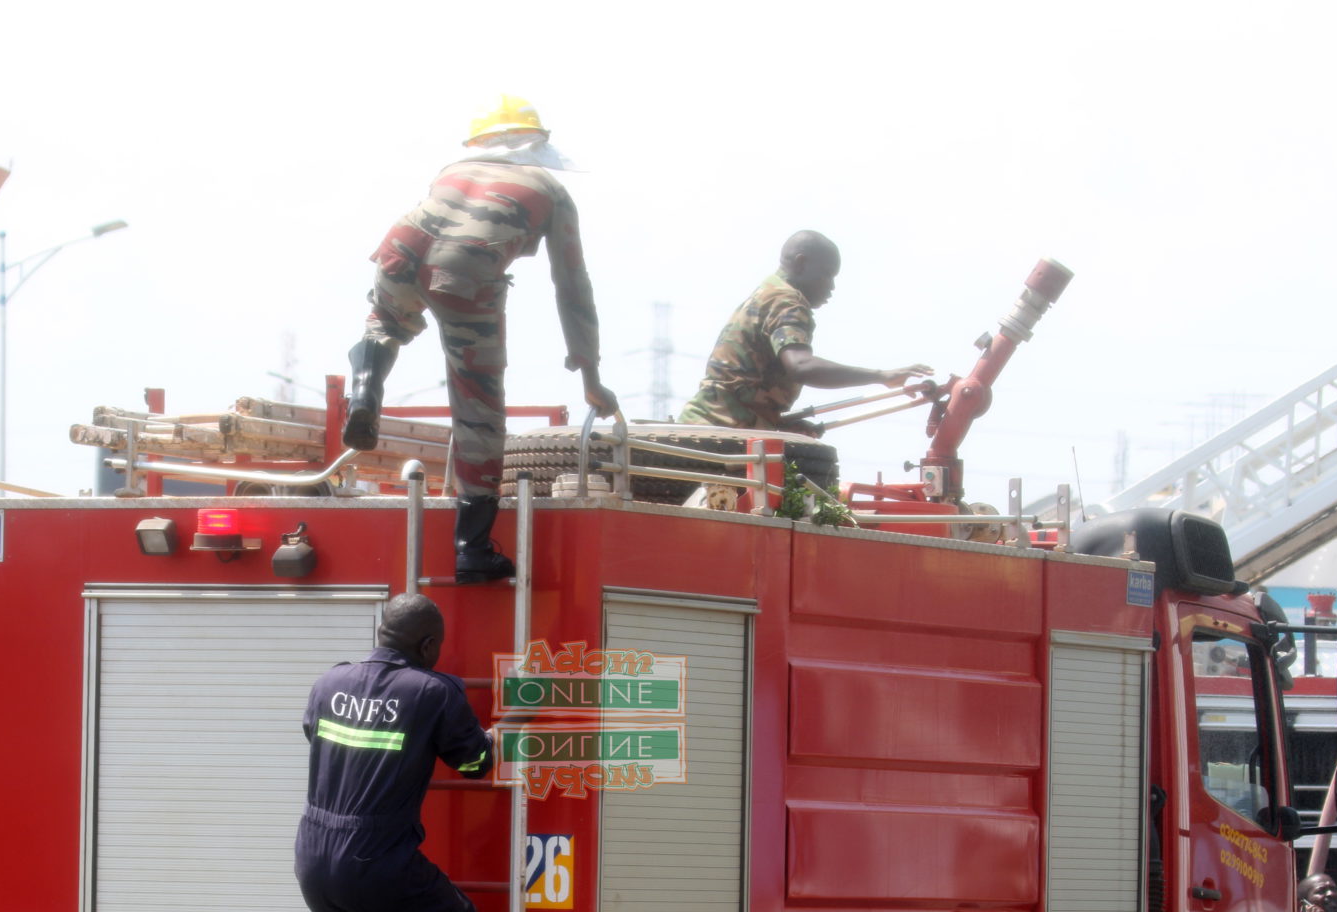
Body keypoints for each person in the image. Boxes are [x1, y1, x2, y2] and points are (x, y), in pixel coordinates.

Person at [343, 95, 618, 584]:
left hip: (399, 247)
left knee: (385, 320)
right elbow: (572, 286)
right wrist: (590, 374)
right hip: (466, 266)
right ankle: (473, 548)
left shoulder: (452, 169)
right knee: (477, 402)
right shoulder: (550, 190)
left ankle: (365, 387)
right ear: (535, 145)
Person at [296, 594, 496, 912]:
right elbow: (475, 761)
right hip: (377, 857)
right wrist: (499, 733)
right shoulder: (432, 692)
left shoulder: (328, 683)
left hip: (314, 857)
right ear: (428, 645)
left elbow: (314, 737)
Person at [679, 231, 933, 434]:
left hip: (713, 424)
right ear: (801, 263)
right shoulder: (787, 301)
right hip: (723, 430)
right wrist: (881, 376)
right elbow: (801, 366)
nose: (831, 287)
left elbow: (745, 385)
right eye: (826, 275)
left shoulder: (768, 291)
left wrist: (781, 425)